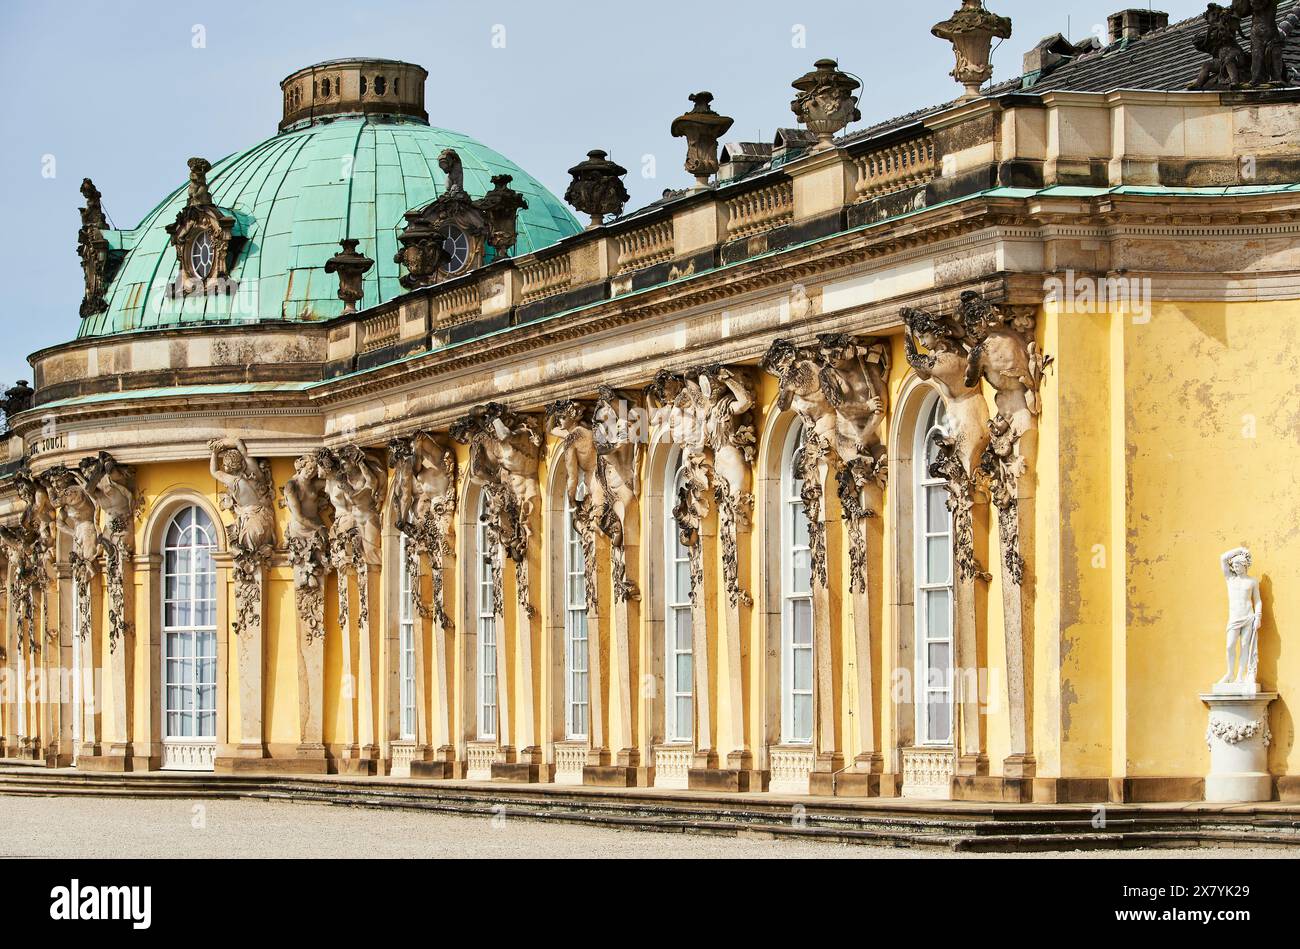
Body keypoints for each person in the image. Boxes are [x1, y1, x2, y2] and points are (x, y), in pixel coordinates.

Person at [1217, 546, 1262, 690]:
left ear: (1244, 565)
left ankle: (1240, 676)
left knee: (1244, 646)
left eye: (1238, 565)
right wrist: (1240, 550)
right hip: (1234, 618)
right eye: (1234, 566)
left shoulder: (1252, 581)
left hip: (1248, 616)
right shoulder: (1230, 579)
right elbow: (1223, 557)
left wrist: (1258, 616)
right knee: (1230, 645)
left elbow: (1258, 601)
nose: (1235, 568)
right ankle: (1230, 673)